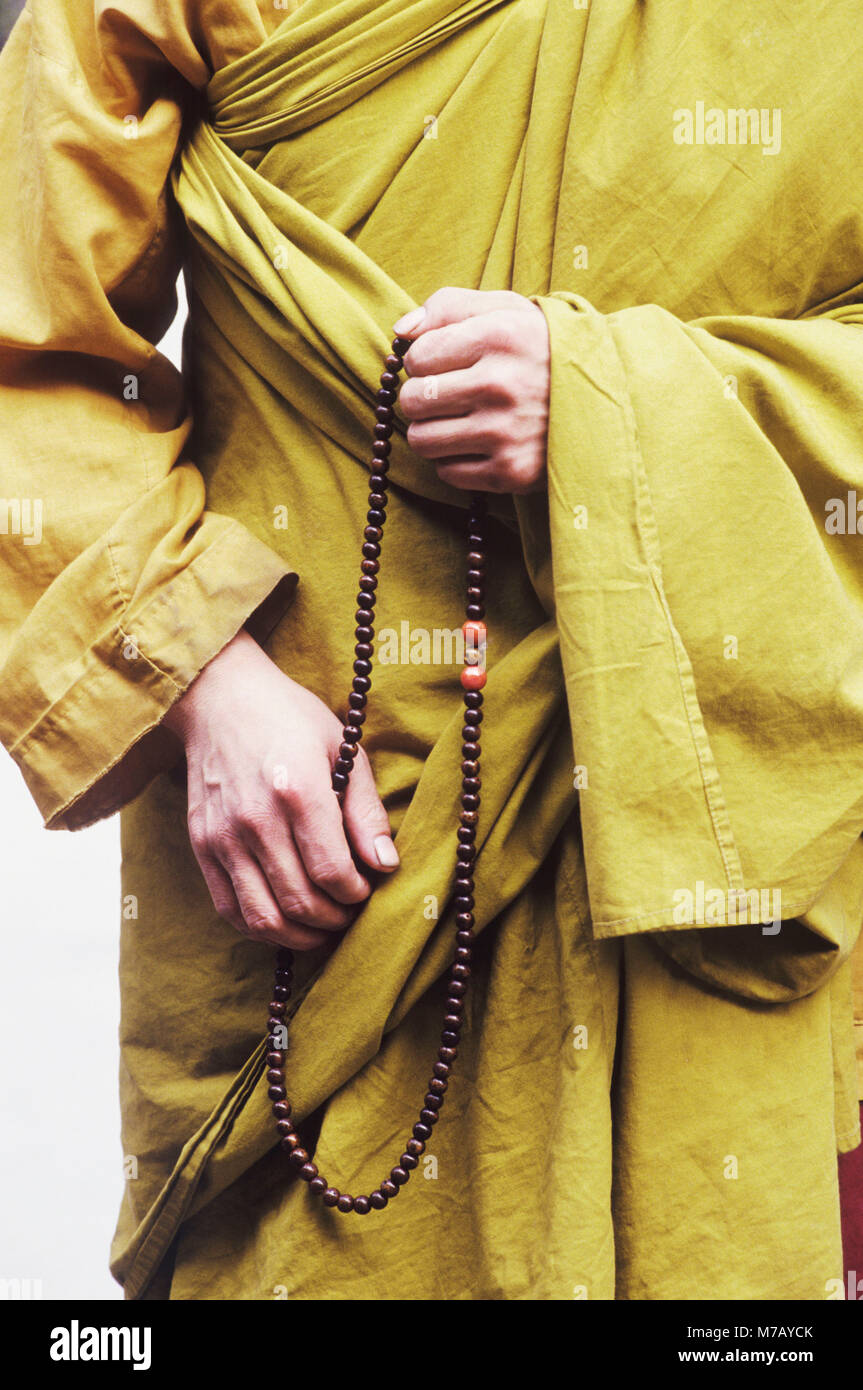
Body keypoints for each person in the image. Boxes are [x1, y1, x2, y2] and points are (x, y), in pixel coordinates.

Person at [1, 0, 862, 1301]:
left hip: (705, 830)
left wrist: (615, 409)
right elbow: (31, 333)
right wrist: (194, 677)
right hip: (307, 844)